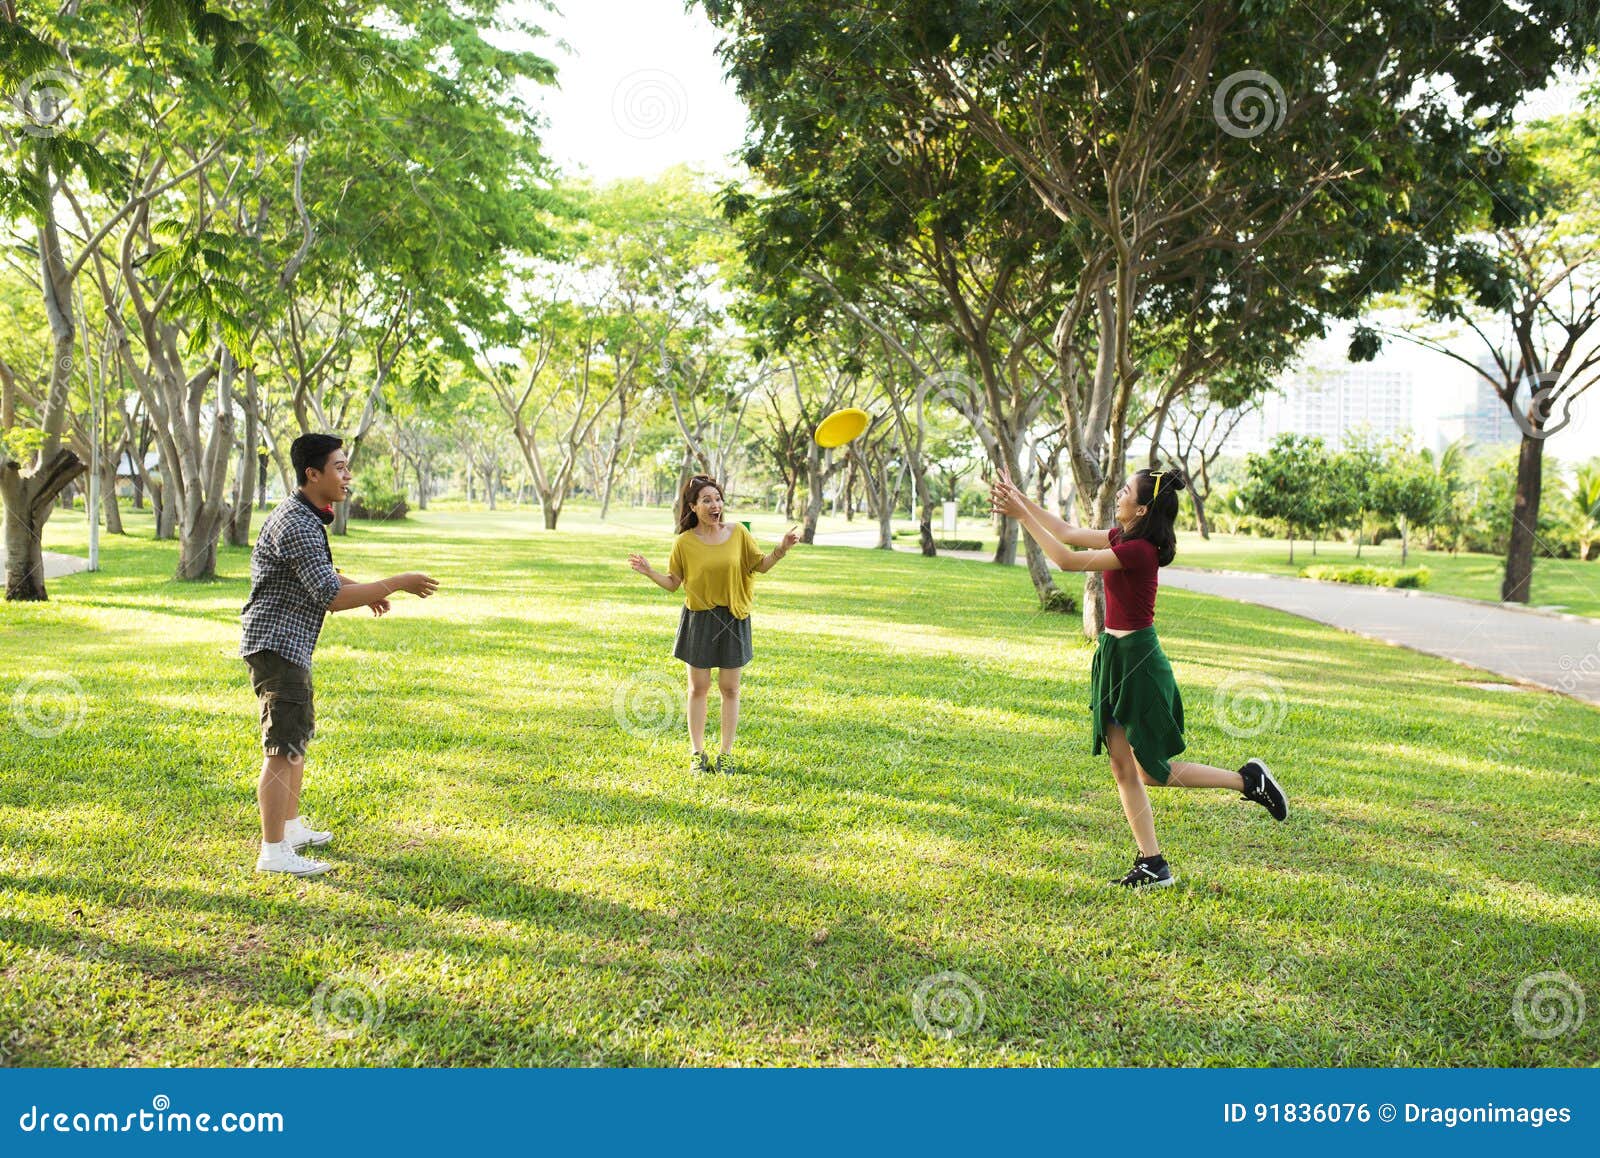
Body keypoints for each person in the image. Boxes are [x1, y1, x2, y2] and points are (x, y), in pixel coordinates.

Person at [991, 466, 1287, 889]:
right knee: (1122, 765)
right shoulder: (1123, 538)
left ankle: (1247, 780)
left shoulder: (1140, 550)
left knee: (1152, 771)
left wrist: (1021, 516)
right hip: (1113, 655)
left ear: (1143, 508)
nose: (1119, 494)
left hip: (1139, 663)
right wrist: (1023, 500)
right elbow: (1068, 532)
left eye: (1126, 491)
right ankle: (1153, 864)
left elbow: (1066, 559)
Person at [240, 433, 439, 877]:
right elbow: (329, 595)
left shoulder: (304, 516)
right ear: (313, 474)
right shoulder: (296, 522)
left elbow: (325, 573)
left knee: (296, 738)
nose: (348, 476)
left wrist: (363, 590)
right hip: (277, 645)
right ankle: (273, 852)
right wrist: (396, 581)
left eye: (347, 467)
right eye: (340, 468)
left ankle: (289, 829)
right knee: (281, 746)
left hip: (289, 645)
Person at [628, 474, 800, 774]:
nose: (714, 504)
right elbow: (673, 583)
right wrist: (648, 571)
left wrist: (781, 549)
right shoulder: (684, 543)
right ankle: (697, 754)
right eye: (706, 500)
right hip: (700, 619)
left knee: (730, 689)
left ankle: (726, 754)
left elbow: (760, 566)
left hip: (734, 617)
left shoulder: (738, 533)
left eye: (718, 498)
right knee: (698, 688)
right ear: (693, 507)